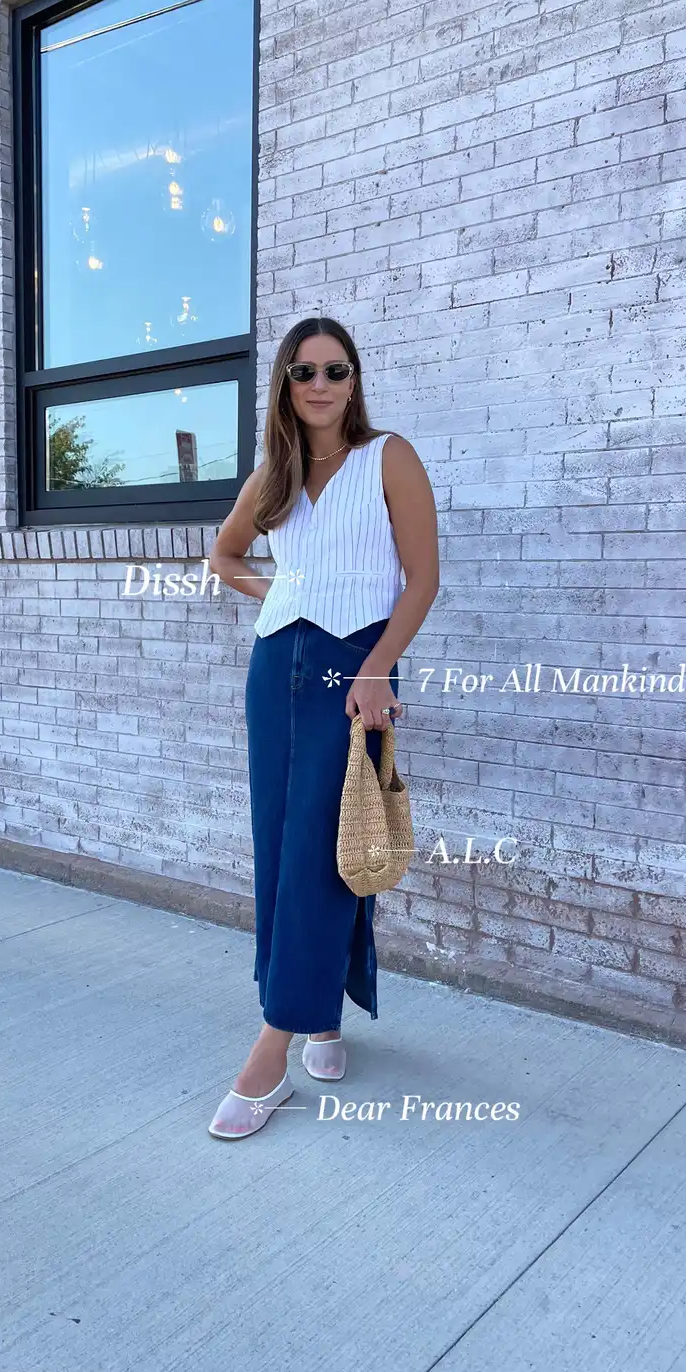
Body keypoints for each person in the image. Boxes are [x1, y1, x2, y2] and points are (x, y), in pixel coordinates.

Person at [207, 316, 439, 1139]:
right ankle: (322, 1014)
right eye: (303, 372)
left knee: (329, 850)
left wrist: (377, 667)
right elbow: (224, 555)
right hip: (277, 669)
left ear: (354, 380)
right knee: (287, 846)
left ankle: (272, 1049)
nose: (320, 385)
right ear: (284, 384)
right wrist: (274, 595)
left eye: (335, 371)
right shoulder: (273, 474)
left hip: (354, 670)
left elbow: (422, 578)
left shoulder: (389, 457)